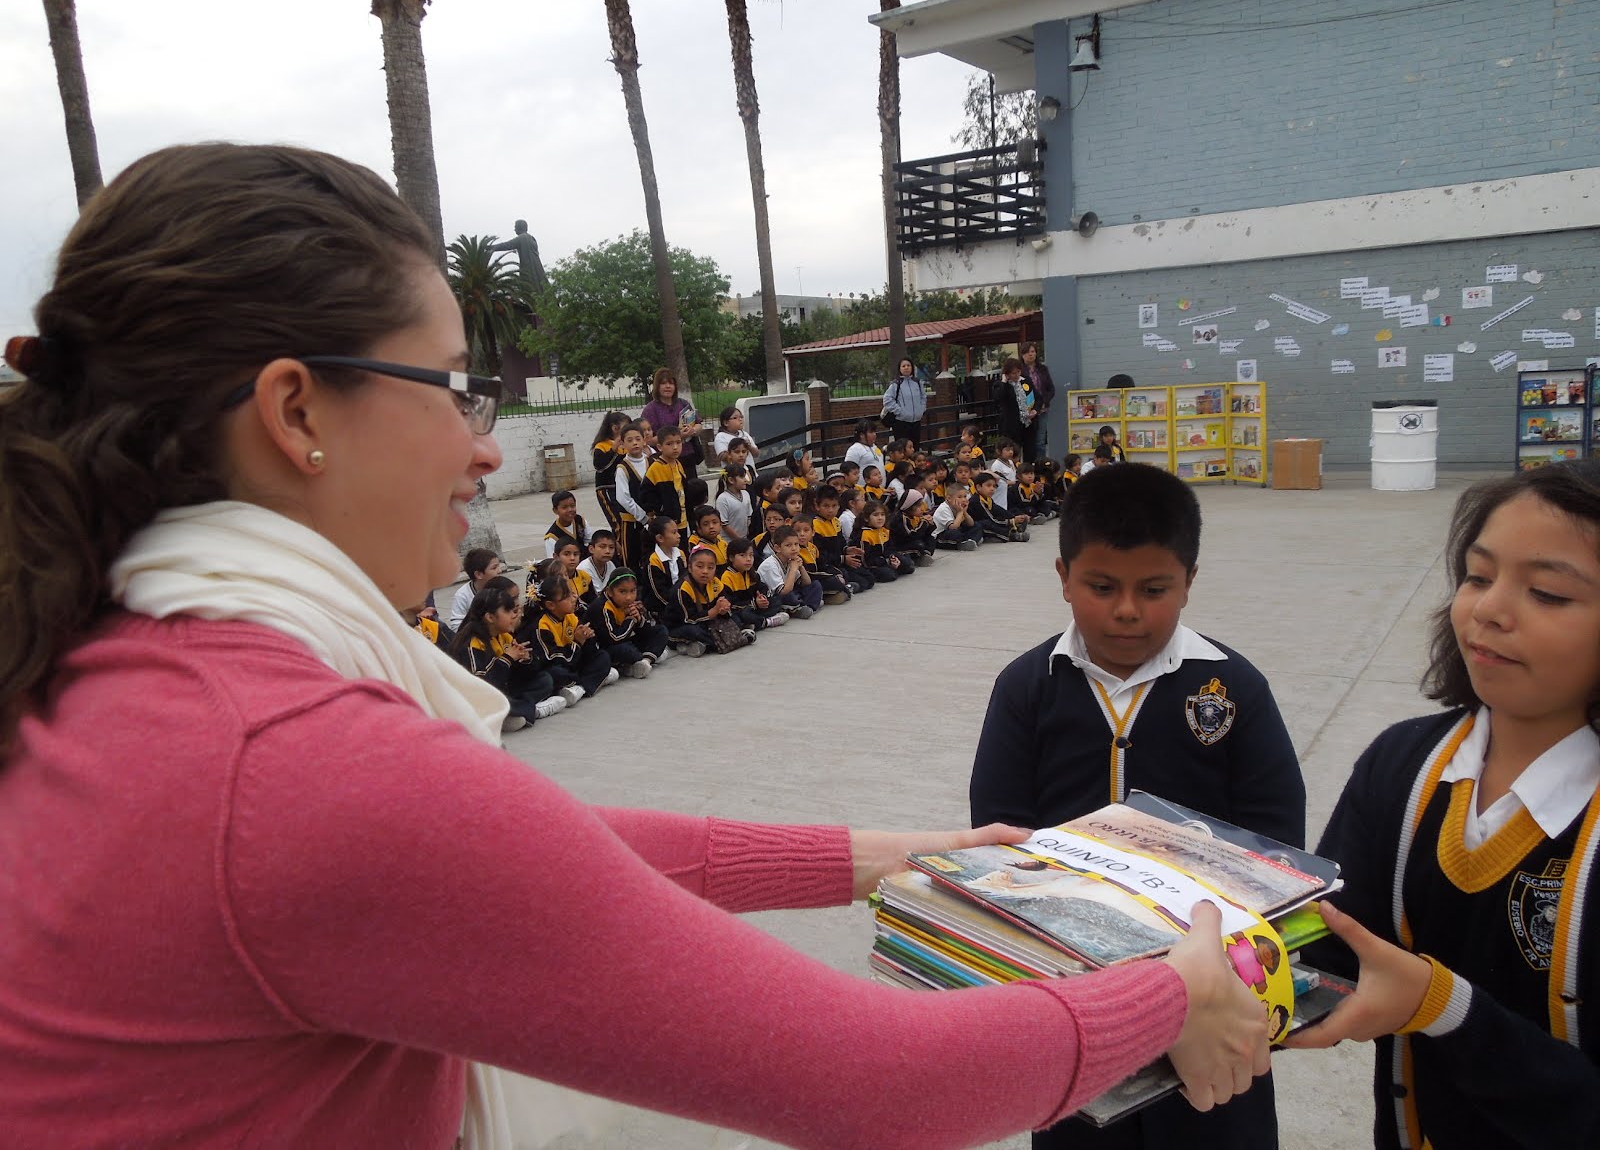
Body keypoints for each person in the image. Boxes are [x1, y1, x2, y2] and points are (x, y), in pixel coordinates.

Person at [0, 142, 1271, 1147]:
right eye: (452, 387)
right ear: (295, 411)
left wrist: (877, 858)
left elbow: (511, 857)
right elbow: (874, 1084)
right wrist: (1178, 987)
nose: (484, 445)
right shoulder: (284, 761)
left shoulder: (119, 655)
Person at [970, 461, 1304, 1150]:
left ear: (1189, 581)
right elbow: (998, 838)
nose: (1127, 610)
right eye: (1101, 587)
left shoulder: (1234, 689)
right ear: (1063, 575)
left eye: (1154, 589)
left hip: (1213, 994)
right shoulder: (1028, 689)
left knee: (1218, 1128)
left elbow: (1275, 846)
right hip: (1079, 999)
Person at [1289, 464, 1600, 1148]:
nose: (1489, 610)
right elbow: (1327, 954)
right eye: (1478, 576)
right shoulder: (1400, 765)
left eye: (1547, 592)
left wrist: (1443, 1007)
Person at [449, 586, 564, 730]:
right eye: (508, 611)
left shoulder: (504, 635)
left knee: (544, 679)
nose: (514, 615)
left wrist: (525, 658)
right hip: (475, 699)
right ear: (490, 617)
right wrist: (507, 658)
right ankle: (534, 711)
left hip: (502, 689)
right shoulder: (473, 643)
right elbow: (481, 686)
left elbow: (521, 672)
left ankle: (514, 712)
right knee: (494, 700)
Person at [530, 569, 617, 704]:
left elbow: (589, 650)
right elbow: (553, 660)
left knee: (603, 657)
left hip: (573, 662)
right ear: (550, 605)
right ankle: (589, 681)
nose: (573, 599)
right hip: (557, 666)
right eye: (566, 597)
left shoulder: (571, 616)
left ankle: (580, 688)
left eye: (572, 594)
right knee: (555, 674)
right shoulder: (542, 625)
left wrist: (588, 637)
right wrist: (577, 642)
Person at [593, 569, 670, 679]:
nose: (629, 597)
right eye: (622, 592)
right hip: (607, 647)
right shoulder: (603, 607)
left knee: (661, 630)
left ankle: (645, 661)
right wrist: (631, 620)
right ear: (610, 591)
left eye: (633, 591)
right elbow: (614, 638)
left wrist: (639, 619)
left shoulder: (626, 601)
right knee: (626, 650)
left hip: (626, 640)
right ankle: (647, 657)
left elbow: (645, 631)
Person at [640, 367, 705, 480]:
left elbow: (699, 424)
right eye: (663, 383)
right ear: (657, 386)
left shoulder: (683, 404)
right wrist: (677, 436)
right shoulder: (650, 410)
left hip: (688, 457)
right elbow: (647, 440)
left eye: (671, 383)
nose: (668, 386)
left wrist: (692, 430)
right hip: (664, 461)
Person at [720, 538, 788, 631]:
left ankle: (753, 623)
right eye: (742, 555)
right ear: (731, 558)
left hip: (754, 606)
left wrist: (762, 597)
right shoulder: (727, 577)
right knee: (742, 615)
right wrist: (754, 603)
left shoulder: (751, 573)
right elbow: (732, 604)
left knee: (777, 600)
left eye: (751, 555)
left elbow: (762, 587)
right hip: (741, 609)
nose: (748, 559)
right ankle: (767, 622)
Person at [757, 524, 823, 617]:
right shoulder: (770, 565)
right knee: (789, 596)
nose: (794, 548)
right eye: (788, 545)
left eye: (796, 544)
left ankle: (803, 606)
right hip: (773, 598)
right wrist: (793, 569)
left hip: (789, 591)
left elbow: (806, 583)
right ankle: (801, 607)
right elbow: (783, 591)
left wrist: (801, 567)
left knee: (816, 585)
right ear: (777, 548)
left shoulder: (790, 559)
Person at [613, 421, 653, 570]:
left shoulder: (651, 462)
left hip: (652, 519)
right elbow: (623, 498)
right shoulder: (622, 468)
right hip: (631, 522)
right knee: (632, 557)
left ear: (644, 440)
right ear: (622, 444)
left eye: (638, 439)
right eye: (629, 440)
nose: (635, 443)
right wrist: (642, 516)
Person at [851, 502, 912, 582]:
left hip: (884, 560)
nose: (880, 518)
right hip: (871, 565)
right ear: (866, 518)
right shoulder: (864, 534)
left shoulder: (884, 531)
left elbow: (890, 549)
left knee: (908, 565)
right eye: (875, 515)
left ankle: (894, 567)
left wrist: (892, 558)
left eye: (882, 514)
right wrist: (886, 561)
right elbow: (866, 560)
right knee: (889, 575)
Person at [591, 410, 629, 536]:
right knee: (618, 524)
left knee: (627, 522)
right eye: (626, 428)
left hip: (623, 488)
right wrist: (613, 450)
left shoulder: (627, 446)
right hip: (608, 489)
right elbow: (600, 466)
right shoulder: (602, 446)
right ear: (615, 428)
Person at [643, 514, 688, 619]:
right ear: (660, 538)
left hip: (680, 603)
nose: (679, 535)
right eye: (674, 533)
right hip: (661, 608)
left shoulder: (680, 553)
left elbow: (685, 578)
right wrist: (674, 606)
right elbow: (658, 593)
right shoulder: (654, 560)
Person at [448, 547, 503, 632]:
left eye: (499, 566)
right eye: (494, 568)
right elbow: (456, 627)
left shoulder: (502, 587)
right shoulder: (462, 595)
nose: (500, 570)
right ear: (479, 574)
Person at [645, 426, 690, 529]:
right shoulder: (656, 468)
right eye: (669, 444)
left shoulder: (678, 464)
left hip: (682, 520)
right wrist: (660, 511)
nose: (675, 447)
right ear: (660, 447)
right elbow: (646, 495)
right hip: (666, 524)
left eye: (678, 442)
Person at [1021, 342, 1057, 459]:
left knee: (1040, 441)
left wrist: (1044, 402)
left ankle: (1041, 466)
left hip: (1042, 409)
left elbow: (1051, 389)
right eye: (1027, 352)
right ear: (1022, 355)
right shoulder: (1020, 371)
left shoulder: (1042, 369)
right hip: (1026, 411)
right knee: (1028, 441)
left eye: (1032, 351)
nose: (1030, 355)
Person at [881, 356, 927, 447]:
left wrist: (921, 409)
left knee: (915, 448)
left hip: (916, 422)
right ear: (899, 369)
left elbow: (923, 397)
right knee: (903, 449)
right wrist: (900, 411)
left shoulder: (917, 383)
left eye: (908, 365)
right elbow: (887, 399)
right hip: (901, 423)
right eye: (903, 366)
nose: (906, 368)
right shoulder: (896, 384)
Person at [996, 358, 1037, 456]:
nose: (1016, 375)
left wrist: (1036, 410)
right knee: (1013, 452)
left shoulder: (1026, 381)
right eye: (1013, 373)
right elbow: (999, 398)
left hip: (1028, 422)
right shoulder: (1001, 385)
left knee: (1030, 451)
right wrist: (1004, 382)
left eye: (1018, 372)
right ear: (1007, 373)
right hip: (1011, 425)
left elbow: (1037, 397)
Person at [543, 488, 589, 559]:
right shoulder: (552, 536)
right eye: (564, 507)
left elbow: (589, 541)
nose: (570, 510)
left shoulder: (580, 521)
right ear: (555, 511)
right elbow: (553, 562)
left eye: (572, 506)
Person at [933, 483, 981, 551]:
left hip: (957, 530)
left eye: (965, 496)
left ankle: (970, 541)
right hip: (940, 535)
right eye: (959, 497)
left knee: (977, 525)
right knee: (954, 533)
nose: (964, 499)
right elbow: (953, 527)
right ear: (949, 498)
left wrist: (964, 512)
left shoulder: (958, 506)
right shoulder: (943, 509)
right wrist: (960, 512)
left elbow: (971, 524)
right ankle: (963, 543)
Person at [715, 464, 755, 539]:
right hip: (728, 541)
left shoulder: (746, 494)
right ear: (731, 480)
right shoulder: (723, 499)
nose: (745, 480)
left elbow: (749, 517)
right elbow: (724, 524)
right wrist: (738, 539)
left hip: (744, 539)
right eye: (742, 477)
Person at [578, 528, 618, 595]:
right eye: (602, 547)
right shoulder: (584, 568)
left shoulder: (611, 565)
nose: (607, 551)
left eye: (611, 547)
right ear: (591, 549)